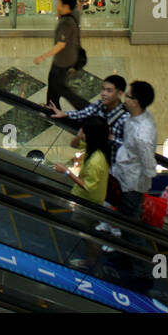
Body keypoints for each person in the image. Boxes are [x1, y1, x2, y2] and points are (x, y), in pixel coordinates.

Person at [56, 115, 110, 270]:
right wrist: (79, 133)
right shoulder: (95, 147)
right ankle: (93, 257)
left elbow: (88, 186)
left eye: (85, 132)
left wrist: (67, 172)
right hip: (86, 199)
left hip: (89, 202)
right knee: (87, 230)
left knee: (86, 232)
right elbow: (74, 144)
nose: (82, 135)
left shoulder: (96, 160)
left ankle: (91, 262)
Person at [110, 80, 157, 243]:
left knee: (131, 226)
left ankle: (140, 265)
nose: (124, 99)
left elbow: (149, 166)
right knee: (124, 221)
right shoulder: (136, 116)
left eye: (128, 96)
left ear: (136, 102)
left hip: (132, 184)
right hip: (123, 176)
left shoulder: (143, 133)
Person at [33, 0, 85, 110]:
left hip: (63, 61)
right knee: (55, 85)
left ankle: (54, 108)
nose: (57, 5)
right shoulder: (75, 14)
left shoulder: (65, 24)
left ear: (66, 6)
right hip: (72, 56)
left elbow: (60, 45)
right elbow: (78, 6)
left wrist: (42, 57)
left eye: (59, 3)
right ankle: (52, 105)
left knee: (57, 85)